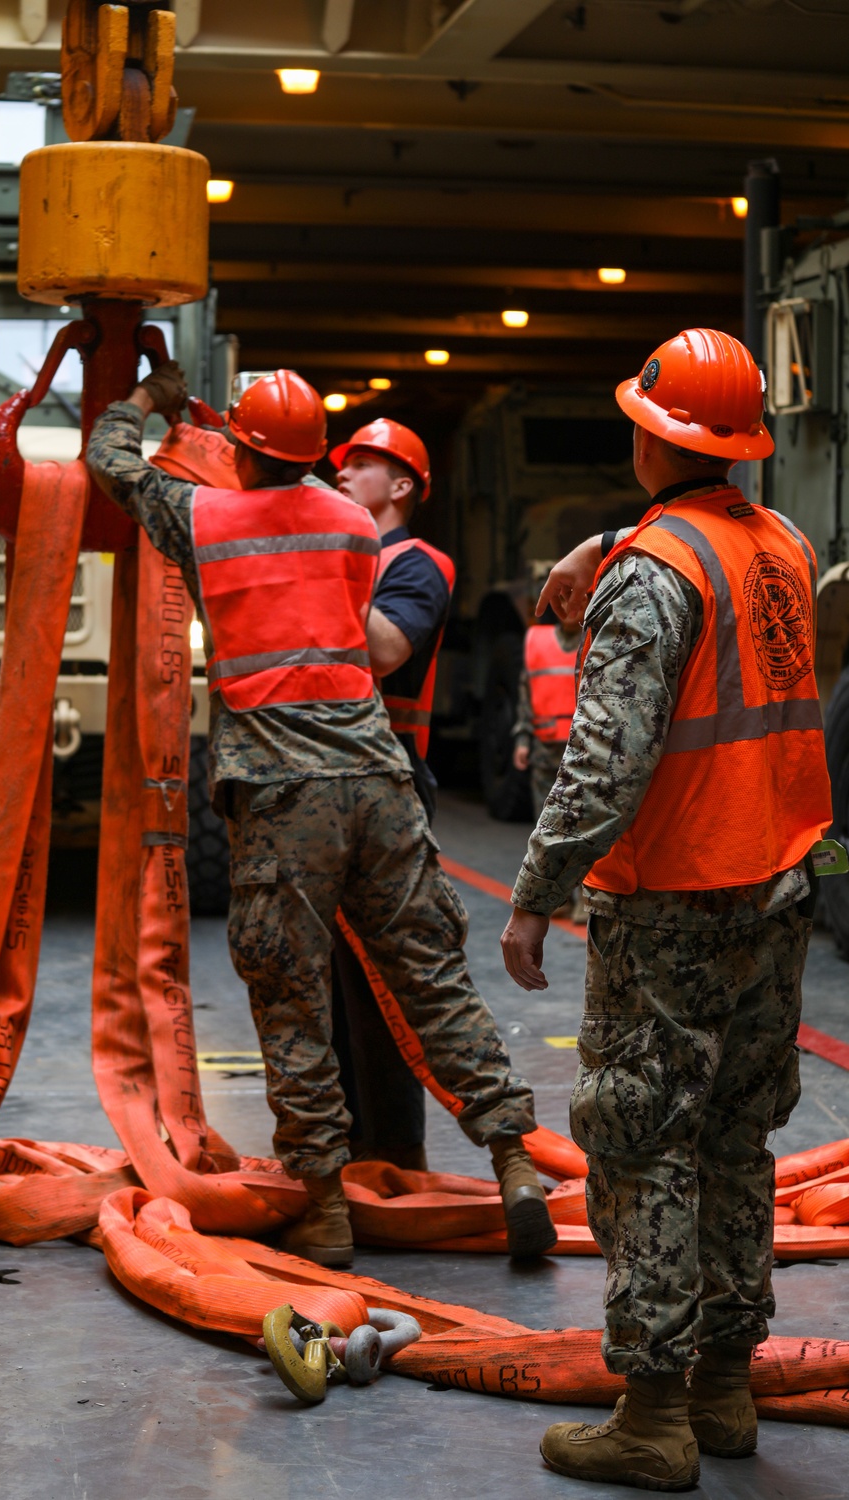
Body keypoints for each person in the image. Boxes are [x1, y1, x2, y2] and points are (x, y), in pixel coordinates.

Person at [86, 362, 556, 1268]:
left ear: (245, 452)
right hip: (378, 784)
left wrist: (151, 400)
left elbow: (114, 463)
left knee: (290, 999)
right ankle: (513, 1164)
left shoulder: (205, 517)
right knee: (435, 985)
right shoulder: (351, 525)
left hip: (279, 789)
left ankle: (327, 1207)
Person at [499, 328, 833, 1490]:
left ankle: (651, 1414)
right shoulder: (779, 543)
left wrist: (534, 895)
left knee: (643, 1144)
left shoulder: (652, 572)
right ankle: (725, 1387)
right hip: (776, 889)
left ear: (649, 435)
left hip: (674, 904)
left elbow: (604, 765)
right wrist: (608, 545)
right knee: (736, 1135)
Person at [327, 419, 453, 1171]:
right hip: (329, 782)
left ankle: (398, 1155)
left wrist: (325, 567)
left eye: (363, 465)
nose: (344, 473)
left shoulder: (416, 565)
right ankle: (349, 1147)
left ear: (401, 486)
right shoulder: (350, 555)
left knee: (385, 983)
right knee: (333, 980)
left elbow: (386, 649)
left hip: (393, 783)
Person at [512, 612, 585, 922]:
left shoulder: (595, 636)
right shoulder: (537, 641)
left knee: (582, 825)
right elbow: (526, 695)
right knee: (546, 826)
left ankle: (584, 898)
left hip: (583, 748)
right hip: (545, 749)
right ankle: (559, 899)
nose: (569, 606)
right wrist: (522, 739)